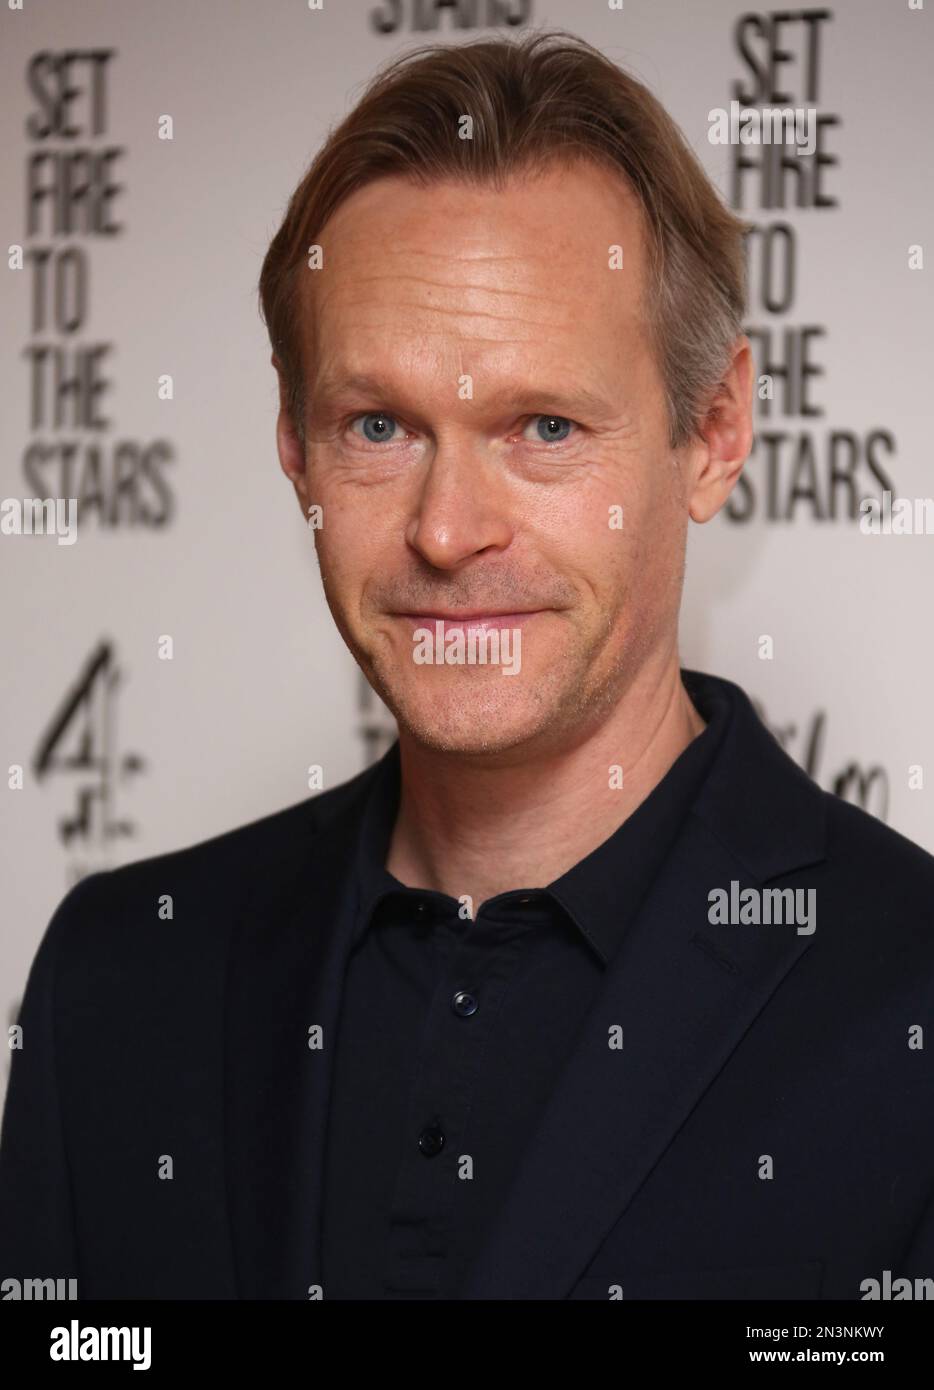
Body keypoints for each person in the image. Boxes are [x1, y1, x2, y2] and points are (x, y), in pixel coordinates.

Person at [2, 30, 933, 1302]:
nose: (446, 531)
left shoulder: (906, 994)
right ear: (292, 444)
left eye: (542, 427)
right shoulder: (115, 981)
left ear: (714, 433)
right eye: (376, 426)